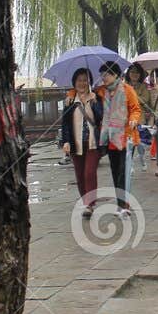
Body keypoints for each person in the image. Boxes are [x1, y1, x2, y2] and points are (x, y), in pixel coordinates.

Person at [59, 67, 104, 217]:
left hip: (92, 143)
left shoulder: (96, 97)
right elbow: (65, 124)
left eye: (85, 80)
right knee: (79, 175)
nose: (82, 83)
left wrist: (94, 101)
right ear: (74, 82)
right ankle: (86, 202)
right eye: (79, 80)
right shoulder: (70, 101)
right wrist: (65, 141)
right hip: (75, 143)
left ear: (89, 82)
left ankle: (90, 205)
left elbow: (100, 117)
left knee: (89, 173)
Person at [97, 60, 140, 213]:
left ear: (115, 75)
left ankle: (124, 204)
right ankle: (121, 202)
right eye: (102, 75)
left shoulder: (127, 90)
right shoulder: (102, 91)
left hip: (126, 137)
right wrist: (71, 94)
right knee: (115, 171)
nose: (103, 78)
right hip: (109, 138)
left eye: (106, 74)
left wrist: (134, 119)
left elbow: (135, 109)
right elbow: (83, 93)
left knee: (123, 170)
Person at [126, 63, 156, 174]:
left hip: (140, 118)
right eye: (132, 72)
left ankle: (142, 161)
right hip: (127, 118)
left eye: (137, 72)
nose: (134, 74)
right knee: (129, 142)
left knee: (139, 143)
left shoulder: (143, 86)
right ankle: (130, 164)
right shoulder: (124, 85)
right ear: (128, 73)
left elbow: (145, 100)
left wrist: (132, 96)